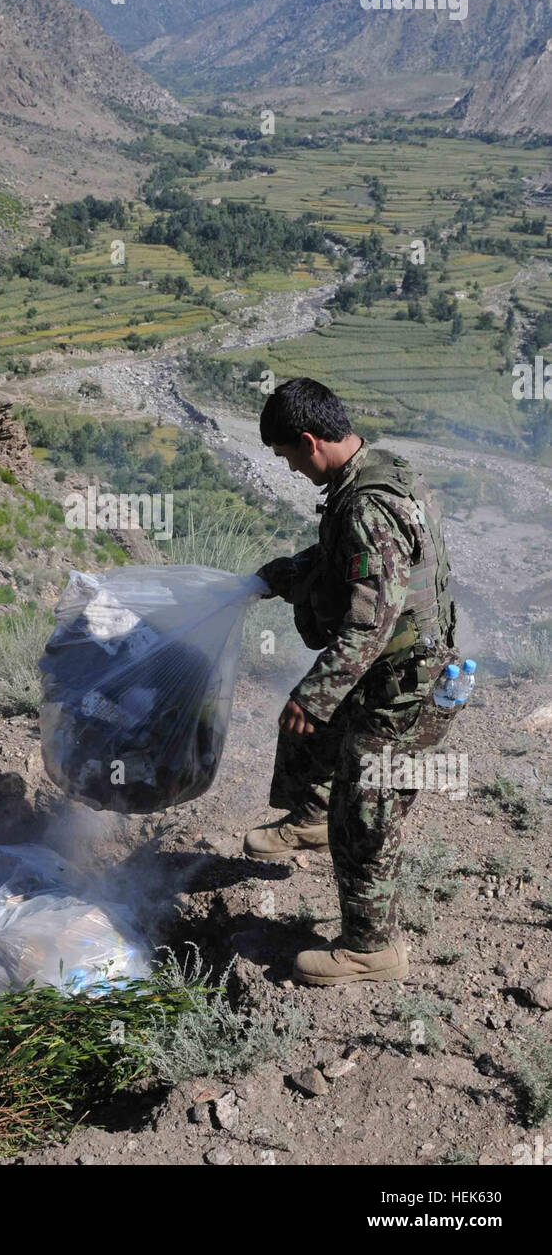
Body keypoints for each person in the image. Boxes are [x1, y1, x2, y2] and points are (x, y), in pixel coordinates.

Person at [248, 378, 460, 986]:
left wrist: (315, 694)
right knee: (310, 737)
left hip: (406, 687)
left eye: (290, 456)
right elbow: (355, 563)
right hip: (389, 671)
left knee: (366, 808)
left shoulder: (367, 505)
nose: (291, 468)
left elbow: (374, 619)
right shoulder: (376, 470)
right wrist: (293, 572)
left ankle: (372, 948)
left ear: (312, 441)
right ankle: (311, 819)